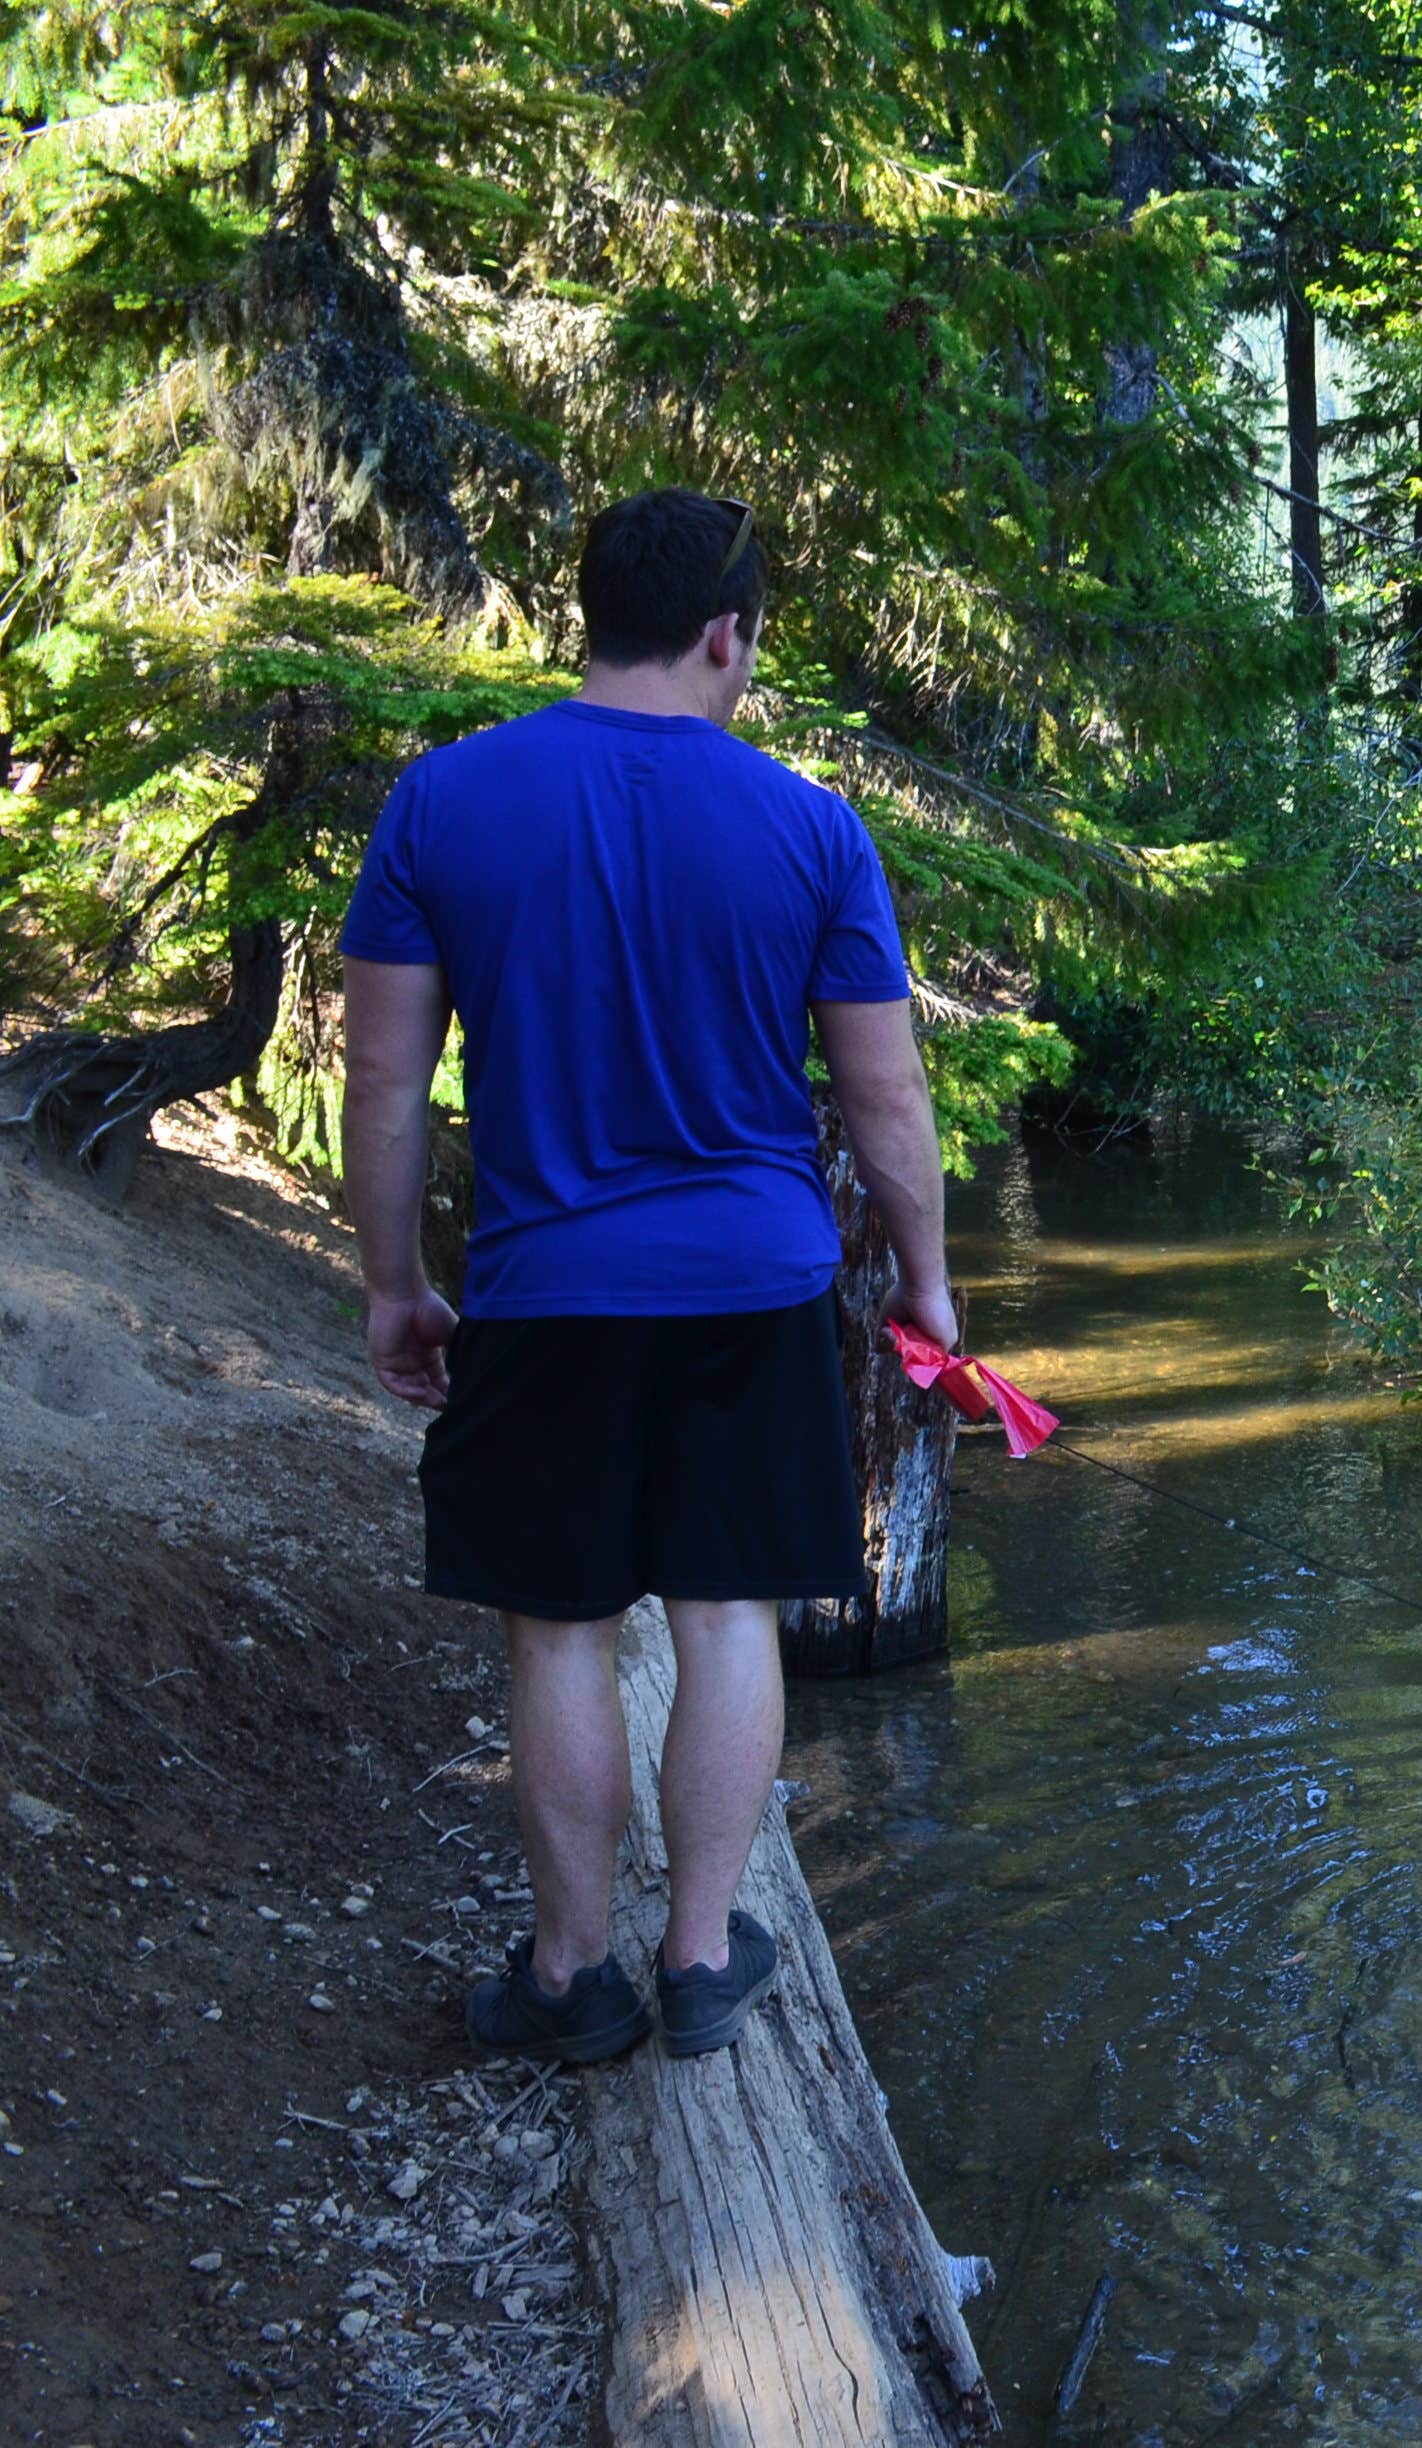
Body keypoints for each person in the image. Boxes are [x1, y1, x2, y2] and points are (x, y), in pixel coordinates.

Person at [337, 489, 955, 2064]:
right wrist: (928, 1289)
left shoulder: (444, 802)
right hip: (753, 1286)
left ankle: (568, 1976)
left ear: (590, 615)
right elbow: (884, 1101)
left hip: (547, 1292)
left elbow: (389, 1090)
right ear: (726, 632)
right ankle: (696, 1959)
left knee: (556, 1629)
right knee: (729, 1616)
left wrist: (394, 1280)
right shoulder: (812, 827)